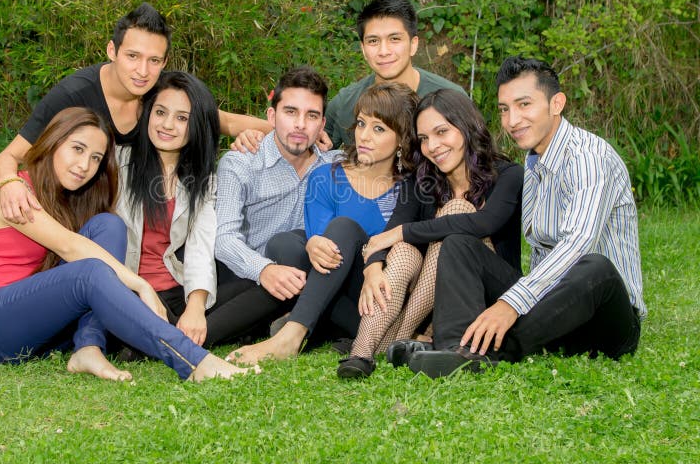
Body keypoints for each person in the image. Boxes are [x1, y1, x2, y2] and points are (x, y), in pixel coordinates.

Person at [0, 107, 250, 382]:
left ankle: (88, 345)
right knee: (91, 271)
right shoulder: (15, 193)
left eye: (96, 158)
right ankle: (193, 360)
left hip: (40, 330)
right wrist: (141, 285)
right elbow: (70, 248)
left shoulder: (72, 200)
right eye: (77, 149)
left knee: (109, 226)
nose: (85, 165)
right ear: (53, 143)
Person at [402, 57, 645, 379]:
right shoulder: (533, 164)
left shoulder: (589, 158)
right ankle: (452, 349)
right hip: (551, 312)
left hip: (606, 317)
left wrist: (511, 303)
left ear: (556, 103)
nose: (512, 119)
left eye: (524, 104)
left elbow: (578, 243)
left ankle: (482, 353)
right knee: (460, 244)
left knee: (594, 265)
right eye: (504, 109)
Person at [0, 2, 271, 224]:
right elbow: (9, 156)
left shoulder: (159, 92)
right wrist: (9, 183)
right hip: (76, 209)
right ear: (112, 50)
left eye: (154, 61)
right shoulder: (73, 95)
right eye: (133, 56)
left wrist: (300, 133)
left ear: (164, 62)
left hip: (138, 211)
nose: (142, 71)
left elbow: (227, 121)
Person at [226, 82, 419, 365]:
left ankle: (297, 332)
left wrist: (372, 266)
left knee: (344, 227)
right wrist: (315, 241)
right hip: (334, 291)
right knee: (285, 245)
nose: (364, 136)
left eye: (379, 129)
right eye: (362, 123)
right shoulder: (327, 175)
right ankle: (303, 331)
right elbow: (319, 240)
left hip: (381, 301)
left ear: (402, 139)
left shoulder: (410, 190)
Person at [337, 89, 523, 378]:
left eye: (441, 132)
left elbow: (484, 224)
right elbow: (386, 237)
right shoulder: (422, 180)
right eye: (424, 139)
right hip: (430, 301)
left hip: (488, 294)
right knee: (404, 251)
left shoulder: (508, 175)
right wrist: (373, 269)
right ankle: (360, 354)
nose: (432, 146)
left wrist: (403, 231)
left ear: (466, 127)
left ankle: (399, 335)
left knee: (456, 209)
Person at [205, 66, 340, 346]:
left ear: (322, 124)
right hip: (244, 276)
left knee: (294, 251)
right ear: (271, 116)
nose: (300, 124)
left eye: (311, 115)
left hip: (302, 274)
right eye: (290, 112)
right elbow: (224, 239)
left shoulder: (335, 167)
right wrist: (264, 270)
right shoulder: (241, 162)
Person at [230, 0, 464, 152]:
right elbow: (304, 136)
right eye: (373, 41)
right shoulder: (347, 102)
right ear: (362, 49)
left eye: (394, 39)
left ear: (413, 44)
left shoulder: (449, 98)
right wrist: (254, 136)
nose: (384, 51)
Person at [116, 71, 220, 347]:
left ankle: (167, 336)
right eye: (160, 112)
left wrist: (196, 307)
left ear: (197, 124)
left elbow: (201, 246)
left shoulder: (202, 179)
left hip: (173, 289)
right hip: (125, 289)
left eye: (182, 118)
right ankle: (168, 338)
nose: (167, 125)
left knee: (257, 289)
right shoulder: (118, 163)